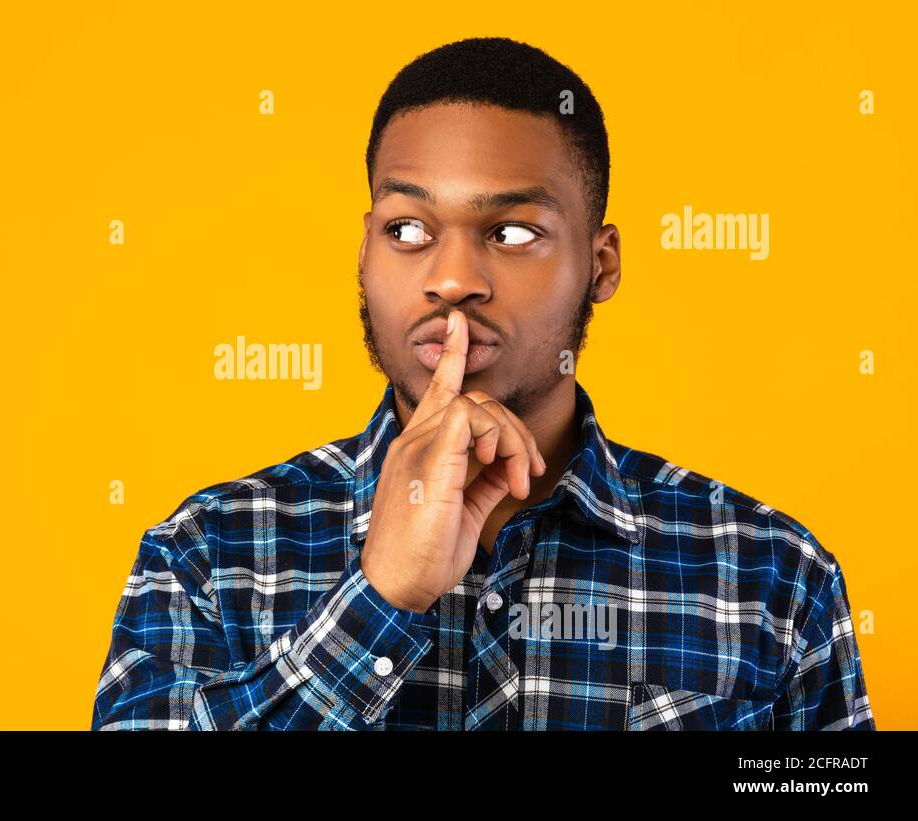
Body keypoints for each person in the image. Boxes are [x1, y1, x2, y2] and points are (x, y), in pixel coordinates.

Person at [91, 37, 874, 730]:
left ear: (601, 265)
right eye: (408, 230)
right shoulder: (206, 554)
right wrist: (379, 597)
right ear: (365, 251)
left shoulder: (774, 578)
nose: (453, 279)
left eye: (512, 233)